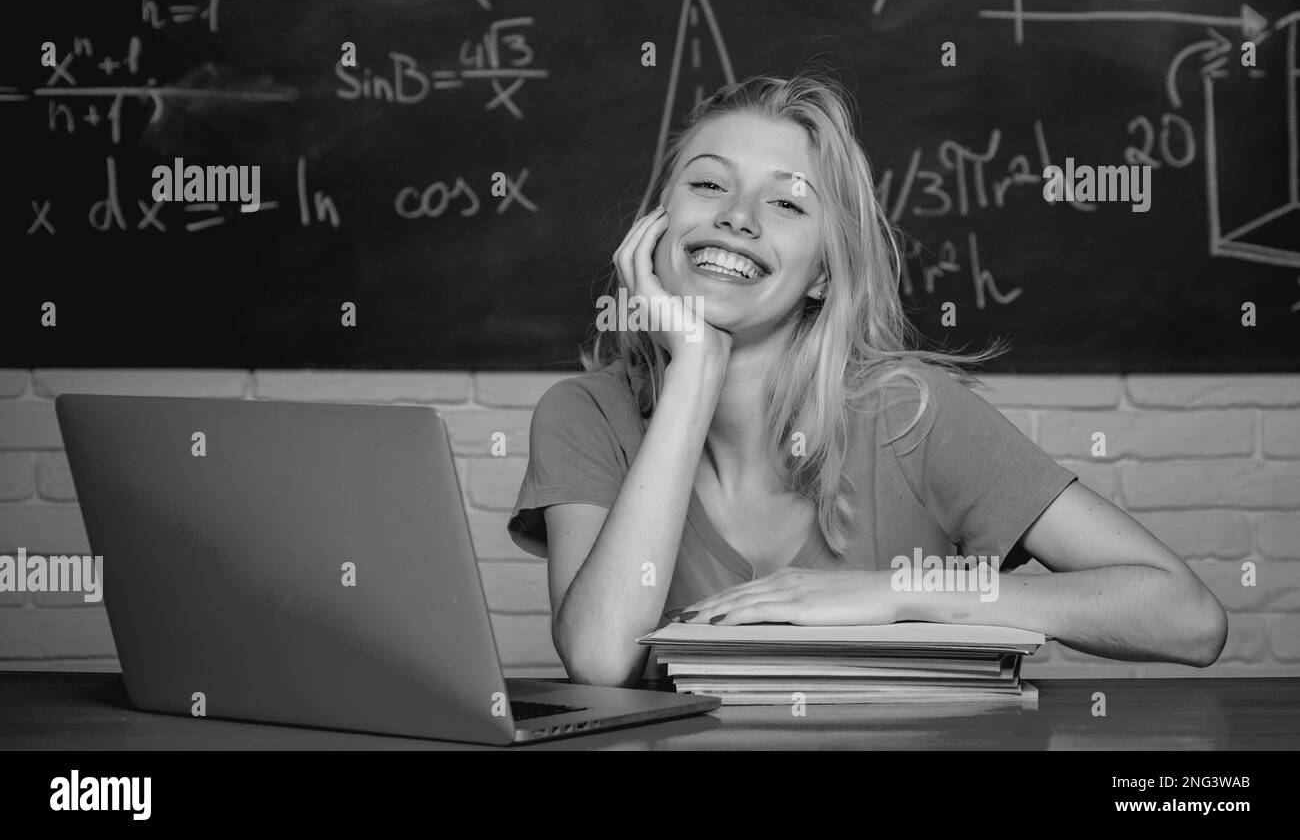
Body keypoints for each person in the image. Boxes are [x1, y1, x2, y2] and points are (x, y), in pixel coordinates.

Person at [508, 72, 1228, 689]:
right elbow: (601, 659)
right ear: (658, 228)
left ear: (823, 271)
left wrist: (901, 592)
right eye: (708, 184)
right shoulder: (586, 414)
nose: (736, 217)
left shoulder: (912, 415)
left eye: (787, 202)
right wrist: (695, 372)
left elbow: (1187, 617)